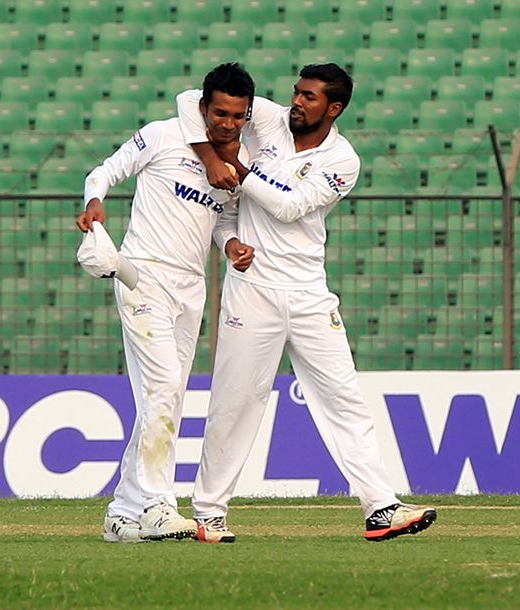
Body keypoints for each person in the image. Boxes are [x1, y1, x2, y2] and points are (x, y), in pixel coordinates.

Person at [176, 63, 437, 543]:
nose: (296, 102)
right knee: (235, 403)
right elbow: (189, 99)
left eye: (309, 97)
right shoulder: (268, 118)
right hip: (252, 290)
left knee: (344, 399)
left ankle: (381, 507)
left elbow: (289, 205)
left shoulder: (343, 159)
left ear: (333, 108)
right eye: (297, 92)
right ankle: (209, 513)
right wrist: (220, 195)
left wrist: (238, 169)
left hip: (310, 293)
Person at [77, 63, 256, 543]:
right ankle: (158, 505)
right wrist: (95, 201)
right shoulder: (163, 135)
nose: (227, 124)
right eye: (219, 113)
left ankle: (122, 513)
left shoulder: (239, 160)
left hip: (191, 286)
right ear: (204, 107)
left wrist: (231, 244)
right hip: (143, 275)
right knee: (162, 388)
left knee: (168, 394)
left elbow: (222, 217)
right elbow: (104, 172)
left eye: (237, 116)